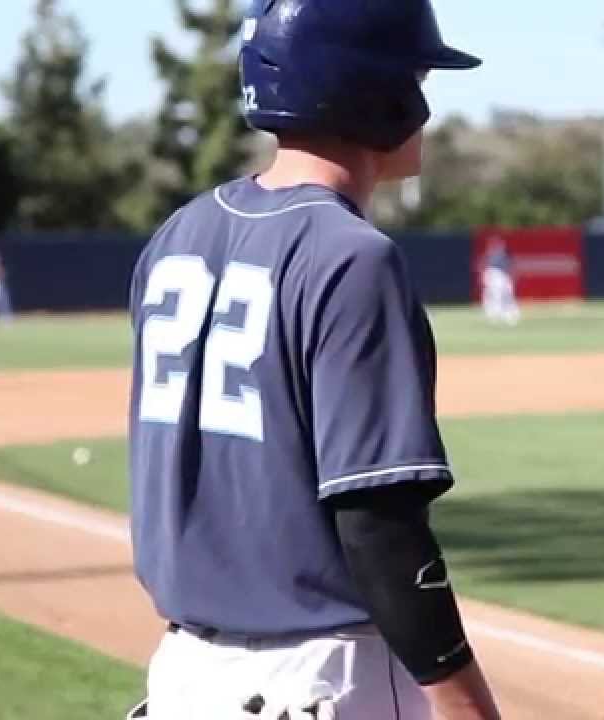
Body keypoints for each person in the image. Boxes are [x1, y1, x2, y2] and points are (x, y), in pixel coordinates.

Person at [125, 2, 500, 719]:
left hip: (184, 679)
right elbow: (378, 524)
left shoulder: (178, 234)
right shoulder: (353, 258)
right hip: (325, 679)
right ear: (378, 89)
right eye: (417, 73)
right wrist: (466, 706)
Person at [480, 239, 520, 326]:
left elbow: (510, 268)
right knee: (494, 296)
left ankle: (507, 313)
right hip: (495, 276)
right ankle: (496, 314)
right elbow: (484, 268)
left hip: (502, 277)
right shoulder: (490, 256)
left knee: (505, 295)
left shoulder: (504, 256)